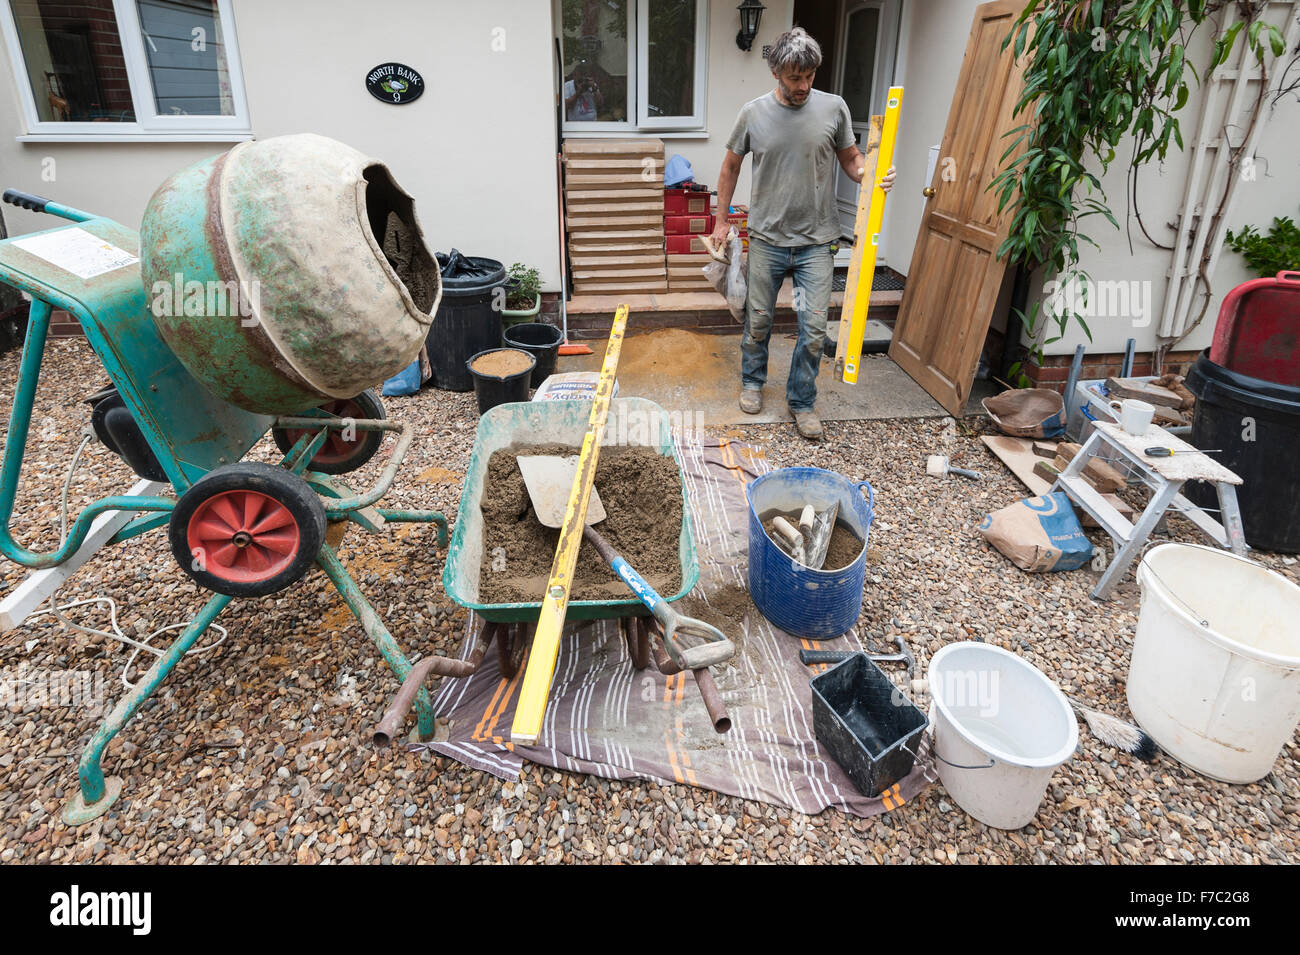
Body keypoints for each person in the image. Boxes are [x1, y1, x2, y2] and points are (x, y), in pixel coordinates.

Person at [711, 27, 895, 440]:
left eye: (809, 76)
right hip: (768, 238)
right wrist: (722, 219)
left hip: (817, 240)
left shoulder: (834, 109)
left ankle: (801, 401)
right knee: (758, 320)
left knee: (813, 328)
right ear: (776, 71)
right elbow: (730, 168)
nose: (803, 85)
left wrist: (873, 176)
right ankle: (754, 382)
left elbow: (852, 160)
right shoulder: (753, 113)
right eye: (795, 77)